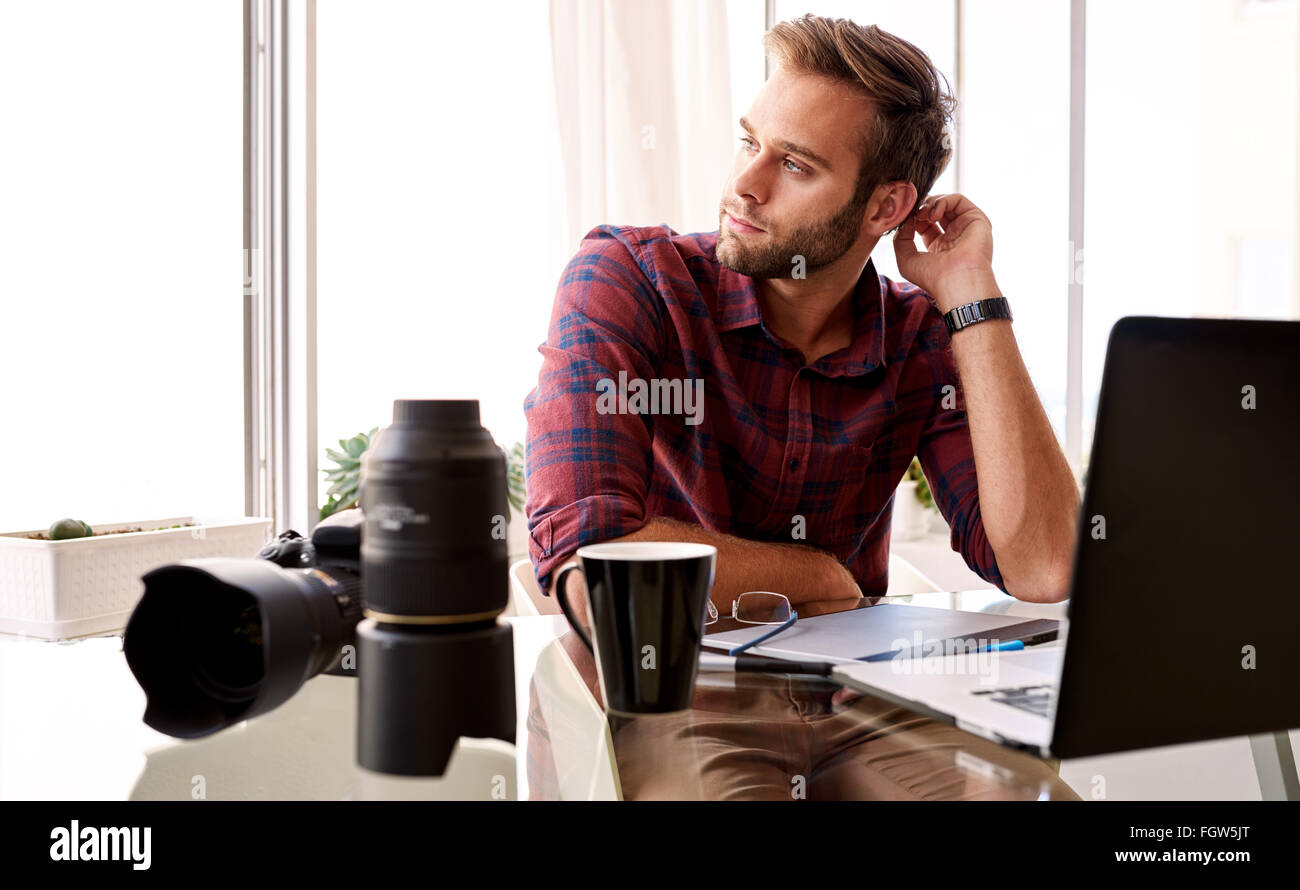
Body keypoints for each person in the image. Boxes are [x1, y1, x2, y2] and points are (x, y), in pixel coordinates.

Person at [523, 15, 1081, 800]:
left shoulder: (918, 339)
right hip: (671, 700)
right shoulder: (630, 280)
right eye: (750, 143)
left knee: (1029, 797)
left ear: (886, 207)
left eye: (795, 163)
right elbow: (595, 564)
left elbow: (1045, 563)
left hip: (859, 699)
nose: (745, 185)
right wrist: (813, 572)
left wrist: (970, 295)